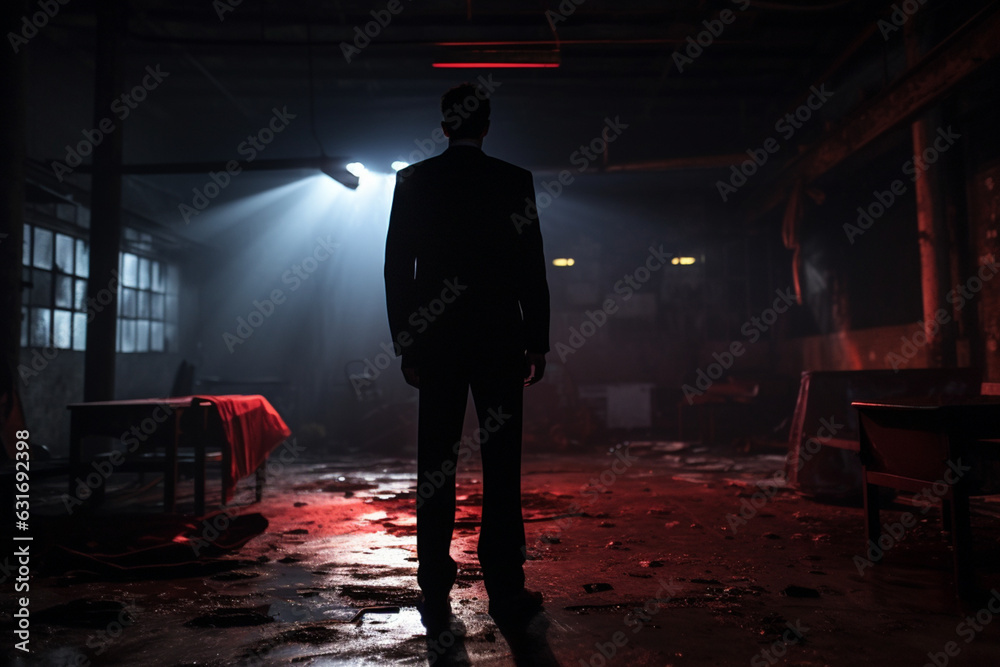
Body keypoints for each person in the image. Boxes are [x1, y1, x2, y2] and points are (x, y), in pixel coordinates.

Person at [384, 82, 550, 631]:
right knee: (502, 464)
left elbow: (396, 270)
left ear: (444, 125)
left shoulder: (413, 182)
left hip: (438, 345)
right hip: (501, 342)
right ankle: (505, 584)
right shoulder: (513, 181)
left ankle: (434, 584)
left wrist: (407, 343)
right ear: (487, 125)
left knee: (436, 463)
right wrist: (537, 340)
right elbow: (532, 266)